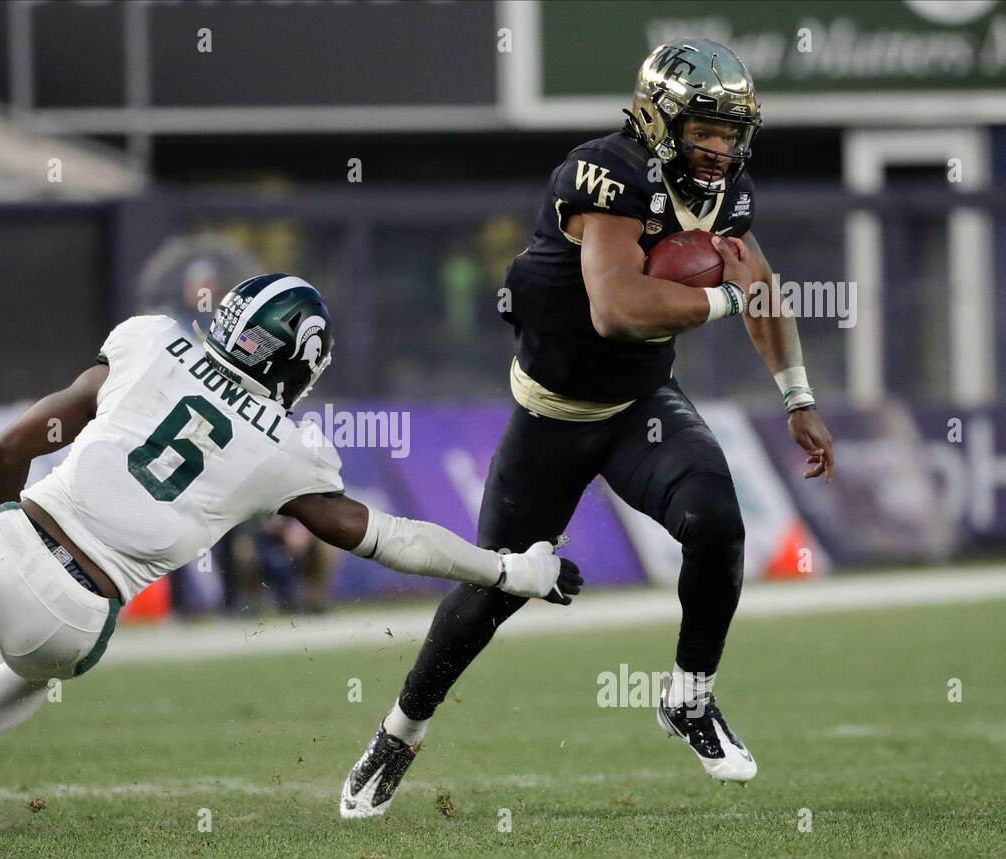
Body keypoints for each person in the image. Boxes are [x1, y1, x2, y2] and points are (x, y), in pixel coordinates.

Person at [0, 273, 583, 838]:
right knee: (31, 680)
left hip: (7, 540)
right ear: (298, 364)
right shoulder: (285, 451)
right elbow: (395, 539)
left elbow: (11, 447)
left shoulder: (148, 341)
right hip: (74, 617)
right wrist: (508, 569)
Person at [338, 39, 838, 819]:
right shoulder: (606, 174)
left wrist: (798, 398)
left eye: (730, 131)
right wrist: (727, 301)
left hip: (639, 406)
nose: (719, 148)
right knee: (489, 592)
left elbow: (762, 283)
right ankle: (399, 732)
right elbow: (618, 309)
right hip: (552, 415)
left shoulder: (728, 191)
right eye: (703, 129)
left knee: (715, 521)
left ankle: (689, 697)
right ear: (658, 119)